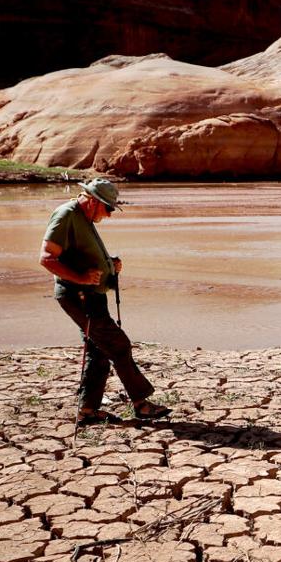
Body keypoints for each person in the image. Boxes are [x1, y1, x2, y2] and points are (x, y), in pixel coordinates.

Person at [40, 178, 169, 425]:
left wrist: (110, 264)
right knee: (118, 345)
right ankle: (141, 403)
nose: (109, 215)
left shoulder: (83, 217)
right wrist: (81, 277)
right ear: (91, 201)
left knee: (98, 352)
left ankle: (87, 411)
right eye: (108, 208)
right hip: (79, 296)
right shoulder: (66, 214)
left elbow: (79, 254)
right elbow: (47, 258)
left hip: (91, 296)